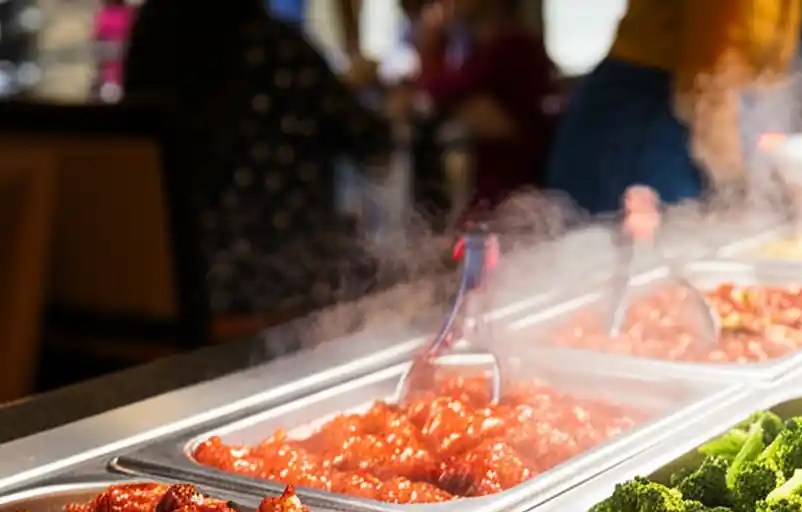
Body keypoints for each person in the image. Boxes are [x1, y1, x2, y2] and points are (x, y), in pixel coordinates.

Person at [125, 0, 394, 322]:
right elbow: (372, 143)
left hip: (170, 293)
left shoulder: (150, 44)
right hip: (285, 289)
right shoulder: (277, 49)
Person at [545, 1, 802, 215]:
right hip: (651, 113)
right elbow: (708, 68)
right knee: (636, 260)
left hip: (717, 106)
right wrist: (738, 180)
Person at [408, 0, 557, 215]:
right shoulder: (480, 50)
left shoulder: (513, 48)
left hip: (513, 201)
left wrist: (429, 49)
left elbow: (436, 93)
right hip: (490, 196)